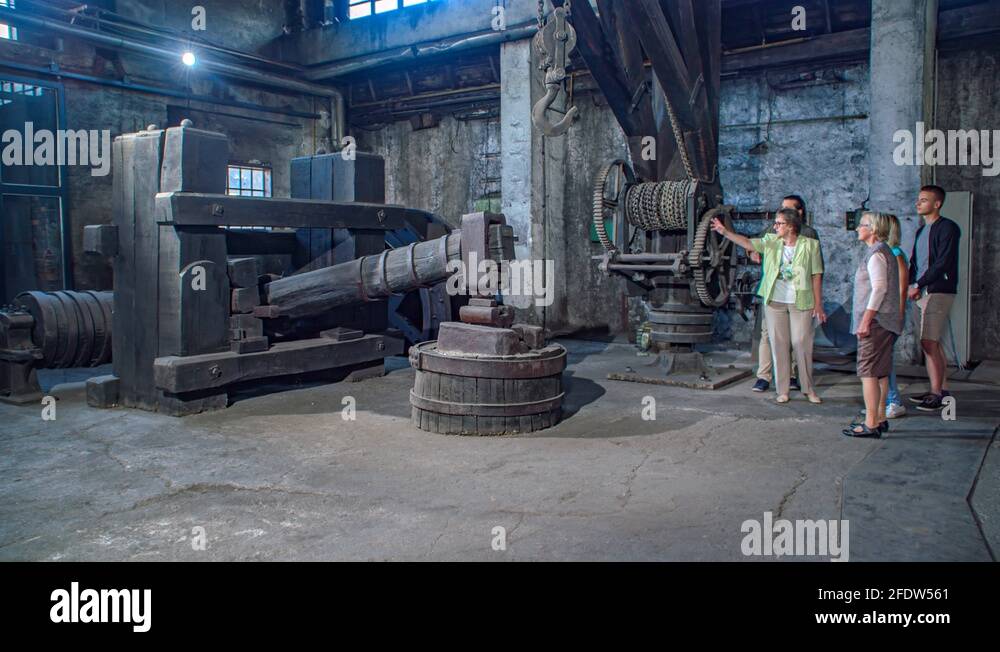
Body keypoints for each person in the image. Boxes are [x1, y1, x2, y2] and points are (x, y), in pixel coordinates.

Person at [713, 208, 826, 404]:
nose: (775, 227)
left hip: (801, 301)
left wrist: (818, 303)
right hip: (775, 301)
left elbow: (816, 274)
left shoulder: (810, 245)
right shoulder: (772, 242)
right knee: (779, 344)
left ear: (790, 226)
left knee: (801, 343)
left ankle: (808, 389)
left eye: (779, 223)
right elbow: (748, 243)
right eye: (775, 223)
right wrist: (724, 232)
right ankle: (782, 390)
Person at [751, 195, 822, 394]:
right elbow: (757, 244)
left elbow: (816, 270)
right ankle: (764, 376)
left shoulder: (809, 236)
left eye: (787, 209)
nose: (781, 215)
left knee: (795, 338)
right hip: (774, 293)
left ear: (798, 213)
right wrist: (753, 253)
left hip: (797, 296)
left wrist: (817, 301)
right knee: (768, 334)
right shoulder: (773, 230)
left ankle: (792, 376)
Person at [844, 212, 902, 437]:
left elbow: (879, 289)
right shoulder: (882, 252)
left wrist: (866, 320)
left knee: (868, 371)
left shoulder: (877, 254)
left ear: (874, 229)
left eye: (862, 225)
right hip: (883, 321)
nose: (858, 228)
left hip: (876, 322)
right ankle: (879, 417)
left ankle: (870, 423)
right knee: (880, 372)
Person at [907, 185, 960, 412]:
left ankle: (937, 394)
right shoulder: (921, 231)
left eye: (924, 200)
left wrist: (919, 284)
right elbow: (915, 262)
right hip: (921, 291)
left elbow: (943, 262)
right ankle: (939, 389)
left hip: (938, 290)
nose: (918, 203)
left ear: (937, 204)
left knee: (929, 341)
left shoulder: (948, 228)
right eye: (918, 200)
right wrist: (912, 284)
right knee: (929, 343)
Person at [883, 215, 909, 418]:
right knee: (880, 360)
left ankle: (894, 401)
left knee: (886, 360)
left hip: (891, 315)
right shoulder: (884, 252)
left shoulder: (896, 253)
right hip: (883, 314)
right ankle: (883, 401)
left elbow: (902, 288)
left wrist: (899, 315)